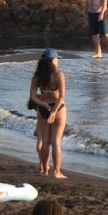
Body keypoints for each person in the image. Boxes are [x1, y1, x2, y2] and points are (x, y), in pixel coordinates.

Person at [29, 49, 67, 179]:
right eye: (56, 58)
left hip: (43, 108)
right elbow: (61, 96)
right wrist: (54, 111)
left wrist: (43, 104)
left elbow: (33, 97)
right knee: (56, 142)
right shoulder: (58, 75)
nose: (58, 61)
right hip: (58, 108)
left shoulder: (37, 77)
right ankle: (56, 172)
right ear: (52, 61)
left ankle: (45, 170)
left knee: (45, 142)